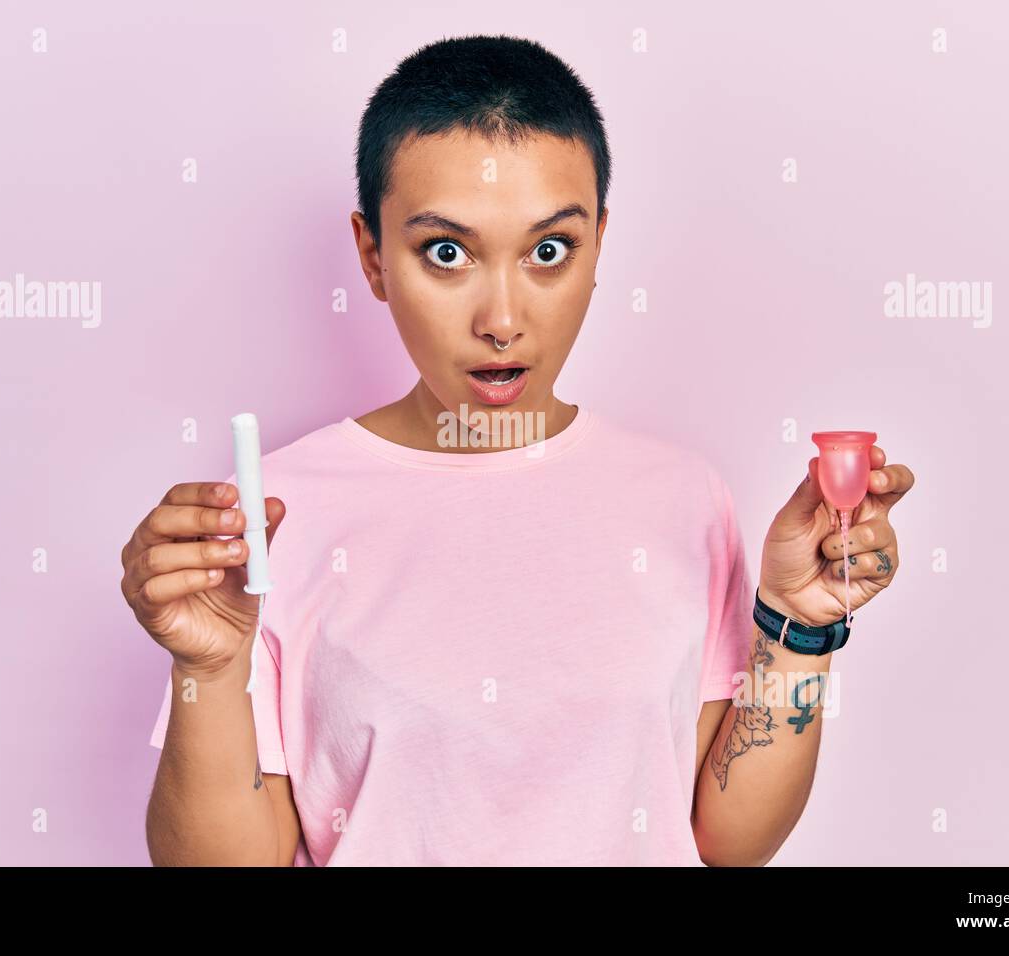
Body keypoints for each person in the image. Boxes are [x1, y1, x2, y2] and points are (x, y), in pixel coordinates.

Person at [122, 33, 915, 866]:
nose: (502, 319)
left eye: (548, 251)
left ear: (598, 245)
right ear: (372, 256)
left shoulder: (682, 496)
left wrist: (795, 630)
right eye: (447, 252)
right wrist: (209, 673)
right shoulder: (273, 512)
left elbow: (729, 840)